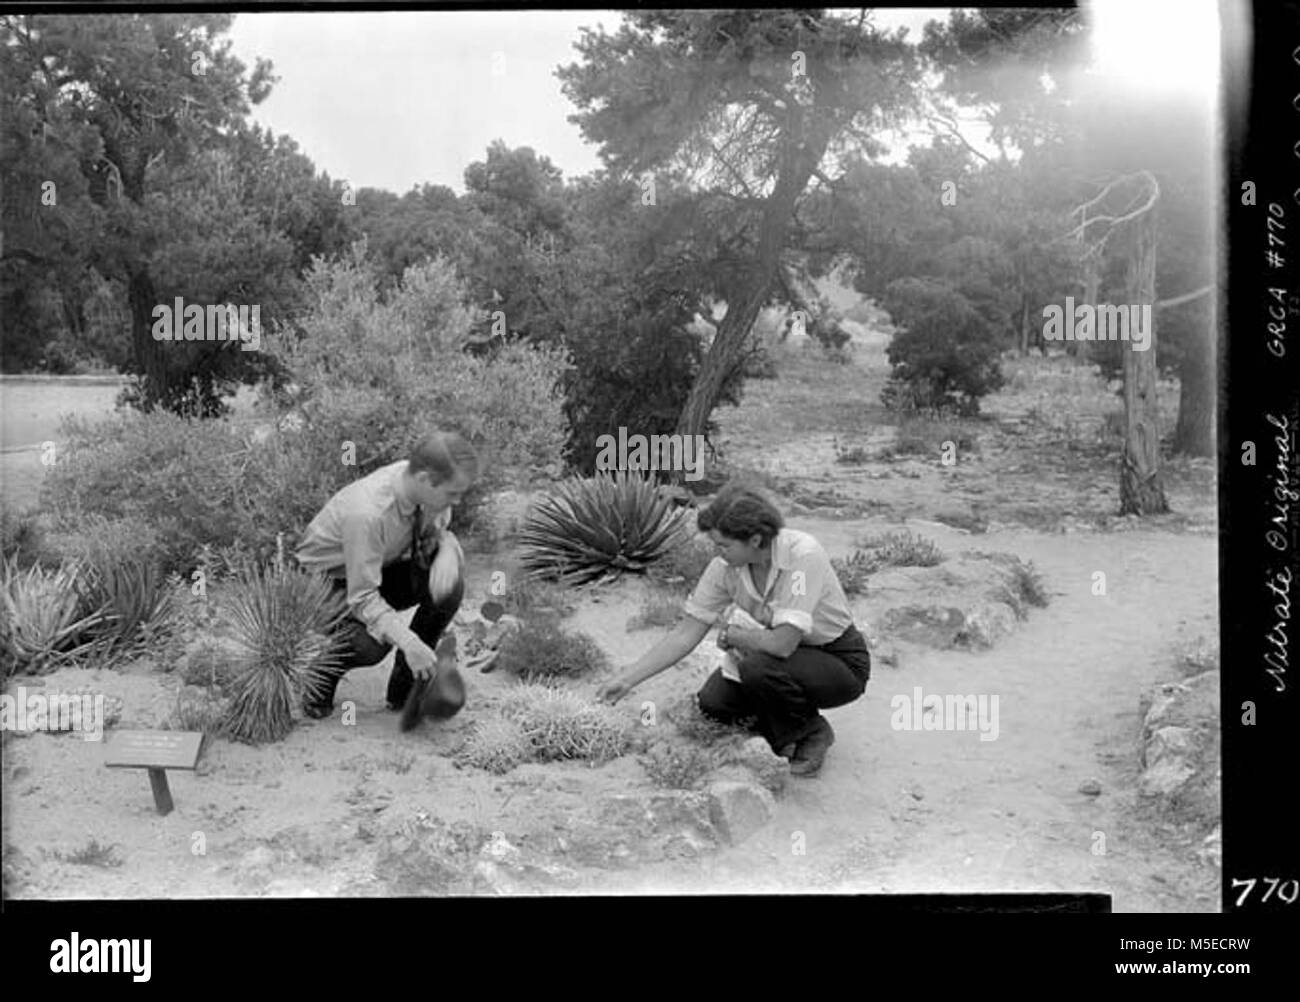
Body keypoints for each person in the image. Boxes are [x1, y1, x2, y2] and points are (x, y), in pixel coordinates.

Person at [597, 483, 870, 776]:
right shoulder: (724, 569)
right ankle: (780, 722)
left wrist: (738, 636)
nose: (718, 552)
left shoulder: (802, 558)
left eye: (724, 545)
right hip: (779, 656)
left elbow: (783, 644)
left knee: (758, 668)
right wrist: (627, 680)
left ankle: (810, 732)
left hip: (837, 661)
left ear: (754, 540)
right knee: (714, 704)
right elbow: (685, 634)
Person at [293, 432, 477, 726]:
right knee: (370, 644)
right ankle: (320, 678)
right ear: (426, 479)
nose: (456, 501)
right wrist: (408, 640)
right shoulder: (368, 513)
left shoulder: (427, 492)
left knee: (449, 586)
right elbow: (362, 597)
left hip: (374, 570)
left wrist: (447, 549)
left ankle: (406, 689)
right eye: (452, 493)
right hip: (321, 585)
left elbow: (439, 533)